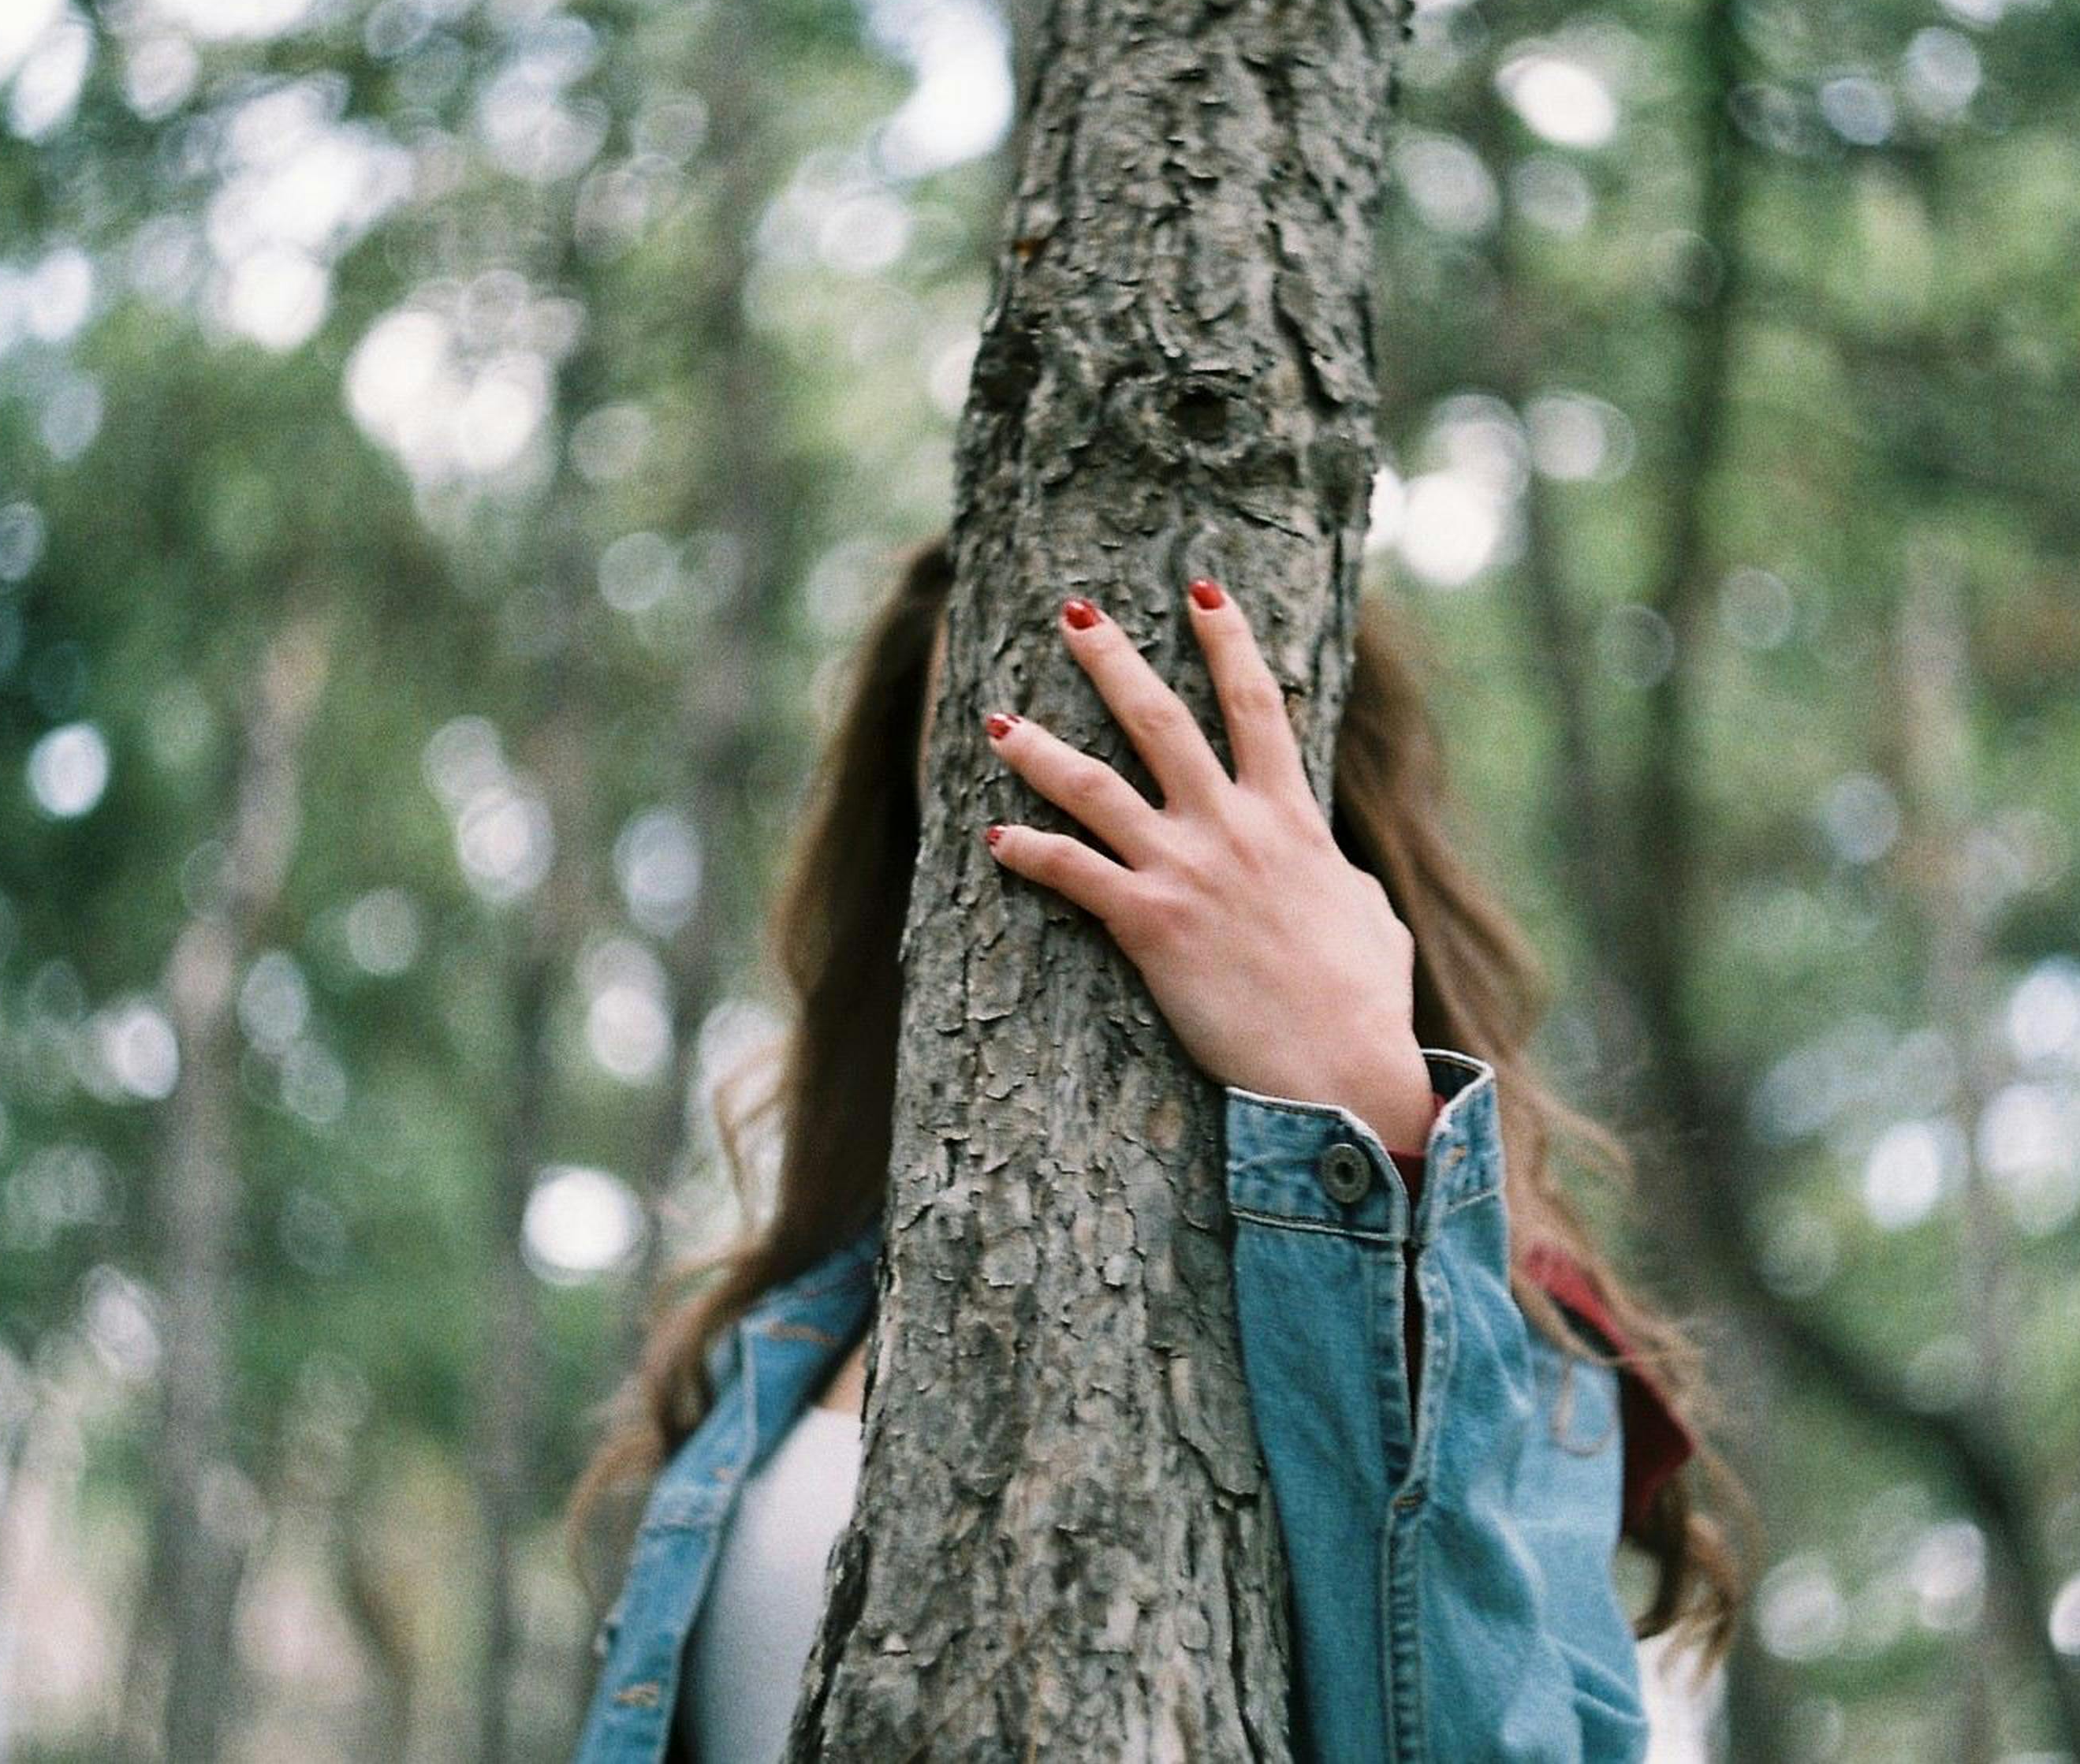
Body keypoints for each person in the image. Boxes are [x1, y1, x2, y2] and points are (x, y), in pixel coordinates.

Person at [567, 535, 1741, 1762]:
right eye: (1007, 795)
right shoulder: (772, 1351)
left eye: (1172, 784)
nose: (1112, 853)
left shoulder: (1502, 1349)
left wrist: (1354, 1103)